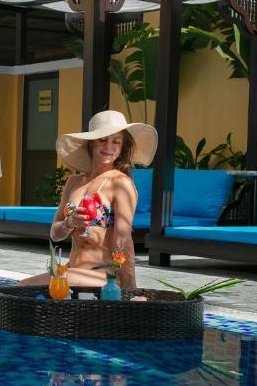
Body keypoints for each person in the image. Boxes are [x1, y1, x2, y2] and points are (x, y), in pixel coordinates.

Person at [20, 110, 157, 289]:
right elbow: (55, 234)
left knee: (22, 287)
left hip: (103, 275)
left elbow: (123, 239)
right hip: (73, 271)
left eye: (116, 141)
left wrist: (129, 289)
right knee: (22, 289)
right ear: (91, 143)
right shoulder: (74, 182)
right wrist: (70, 222)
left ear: (122, 146)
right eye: (103, 139)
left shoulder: (120, 183)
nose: (109, 146)